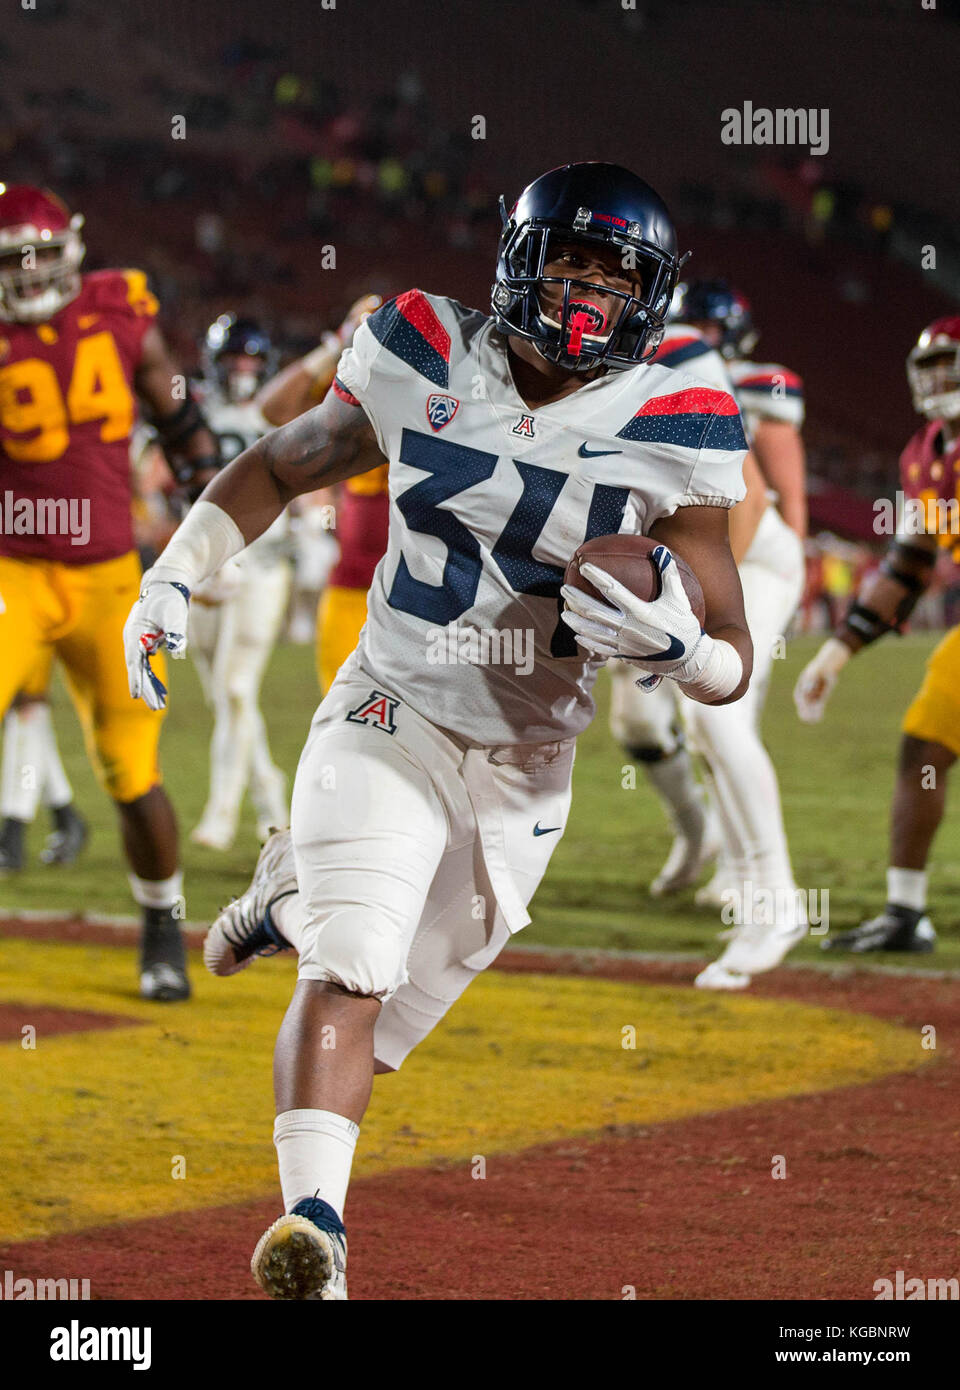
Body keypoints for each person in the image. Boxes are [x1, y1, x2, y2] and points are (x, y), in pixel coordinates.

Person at [124, 162, 753, 1298]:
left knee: (400, 1000)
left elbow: (731, 646)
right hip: (392, 703)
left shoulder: (682, 415)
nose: (587, 294)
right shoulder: (421, 346)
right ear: (519, 260)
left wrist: (683, 648)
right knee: (353, 963)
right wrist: (171, 579)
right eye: (570, 260)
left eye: (618, 277)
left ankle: (285, 888)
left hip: (525, 766)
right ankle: (317, 1233)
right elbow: (286, 460)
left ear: (654, 297)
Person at [0, 184, 220, 1000]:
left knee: (131, 773)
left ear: (73, 250)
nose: (27, 277)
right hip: (11, 571)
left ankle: (162, 922)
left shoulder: (121, 309)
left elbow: (181, 424)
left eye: (39, 256)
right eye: (10, 261)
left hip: (107, 579)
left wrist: (212, 536)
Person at [608, 281, 806, 990]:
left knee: (714, 717)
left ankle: (776, 902)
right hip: (682, 572)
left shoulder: (678, 353)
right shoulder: (584, 375)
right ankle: (727, 862)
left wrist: (706, 609)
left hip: (750, 559)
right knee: (673, 724)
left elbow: (748, 495)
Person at [794, 316, 960, 953]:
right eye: (931, 368)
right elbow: (908, 565)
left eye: (952, 364)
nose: (940, 380)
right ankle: (906, 914)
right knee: (923, 750)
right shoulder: (923, 454)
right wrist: (837, 651)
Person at [187, 315, 291, 849]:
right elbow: (156, 473)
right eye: (235, 359)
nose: (244, 370)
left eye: (252, 360)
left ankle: (221, 815)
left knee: (233, 687)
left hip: (262, 560)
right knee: (223, 694)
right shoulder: (195, 409)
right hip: (206, 559)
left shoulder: (278, 407)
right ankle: (271, 797)